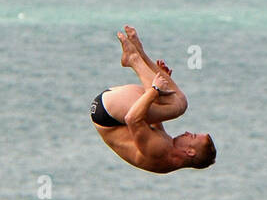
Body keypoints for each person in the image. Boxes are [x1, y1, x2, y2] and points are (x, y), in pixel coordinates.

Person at [89, 26, 216, 173]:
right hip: (111, 108)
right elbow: (154, 123)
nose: (187, 132)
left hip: (107, 114)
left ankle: (134, 58)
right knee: (169, 100)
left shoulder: (161, 152)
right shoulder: (170, 151)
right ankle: (139, 54)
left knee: (179, 105)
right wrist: (161, 88)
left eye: (192, 136)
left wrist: (155, 90)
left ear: (190, 152)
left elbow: (132, 119)